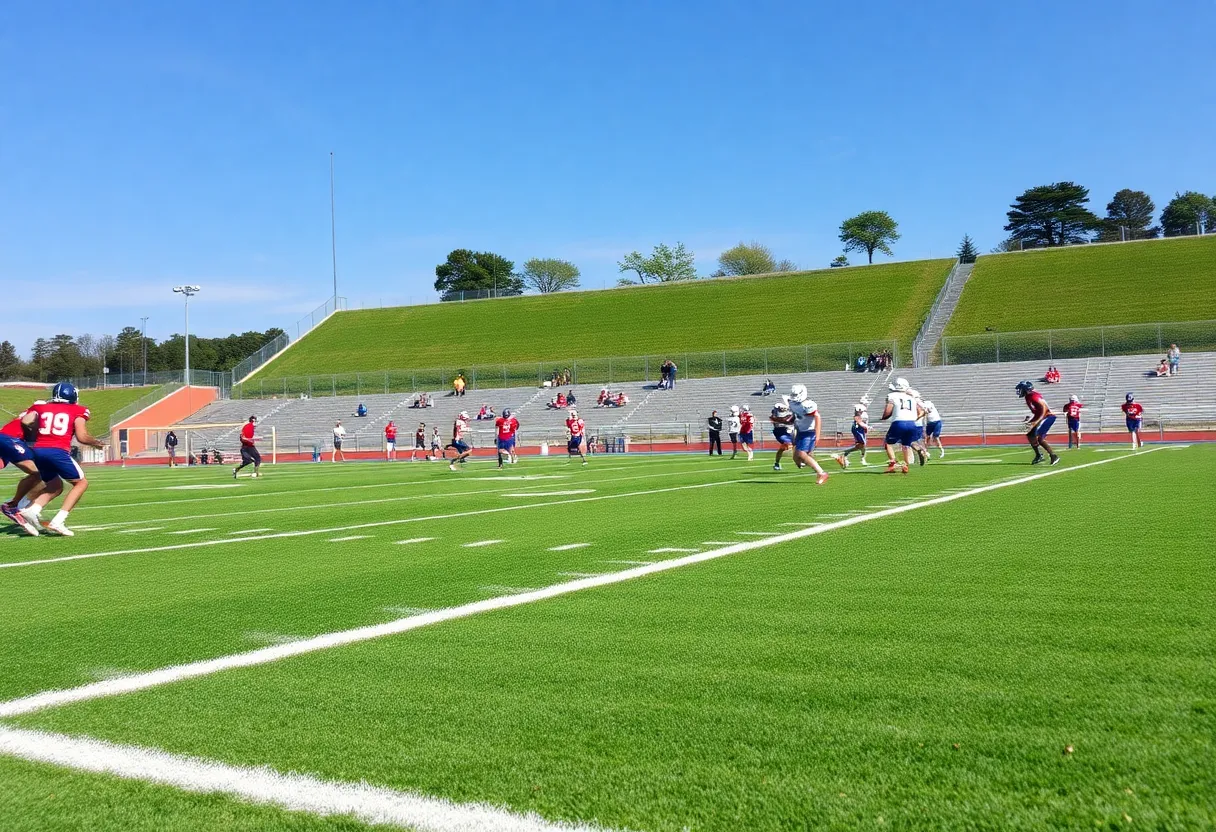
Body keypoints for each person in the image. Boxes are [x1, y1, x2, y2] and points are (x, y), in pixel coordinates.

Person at [17, 382, 106, 536]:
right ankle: (59, 521)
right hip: (57, 451)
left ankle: (33, 509)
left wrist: (33, 432)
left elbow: (25, 421)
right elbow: (82, 437)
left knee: (55, 486)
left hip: (37, 450)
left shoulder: (41, 407)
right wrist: (97, 443)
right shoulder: (78, 410)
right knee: (81, 483)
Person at [0, 401, 44, 532]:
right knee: (39, 473)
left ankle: (20, 505)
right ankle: (13, 506)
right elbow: (28, 426)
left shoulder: (28, 413)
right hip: (10, 440)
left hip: (5, 439)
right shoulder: (36, 414)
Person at [787, 384, 828, 484]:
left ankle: (821, 473)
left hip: (809, 431)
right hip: (800, 430)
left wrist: (817, 435)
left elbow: (817, 416)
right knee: (796, 458)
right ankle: (813, 464)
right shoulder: (792, 402)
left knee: (802, 454)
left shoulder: (808, 404)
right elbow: (795, 417)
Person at [881, 377, 922, 474]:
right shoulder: (911, 397)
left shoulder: (892, 396)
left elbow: (888, 411)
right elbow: (919, 411)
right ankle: (905, 465)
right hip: (912, 423)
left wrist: (883, 417)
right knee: (906, 445)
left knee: (888, 443)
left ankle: (893, 463)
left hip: (899, 422)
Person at [1015, 381, 1060, 465]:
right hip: (1040, 416)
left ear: (1026, 389)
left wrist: (1036, 421)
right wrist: (1031, 420)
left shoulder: (1034, 396)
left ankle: (1053, 456)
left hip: (1047, 416)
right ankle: (1039, 455)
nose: (1019, 391)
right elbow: (1035, 411)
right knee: (1030, 435)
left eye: (1021, 389)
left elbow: (1044, 409)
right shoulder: (1028, 396)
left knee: (1039, 438)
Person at [833, 398, 870, 469]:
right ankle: (844, 454)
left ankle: (847, 455)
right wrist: (866, 426)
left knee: (861, 446)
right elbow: (857, 418)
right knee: (861, 445)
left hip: (860, 429)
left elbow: (863, 421)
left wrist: (866, 428)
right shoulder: (859, 408)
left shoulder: (865, 411)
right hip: (858, 429)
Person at [769, 400, 795, 471]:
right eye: (781, 409)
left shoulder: (788, 414)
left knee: (789, 447)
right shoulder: (774, 416)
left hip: (789, 431)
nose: (783, 410)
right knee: (787, 444)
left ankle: (777, 463)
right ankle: (798, 460)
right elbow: (783, 420)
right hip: (780, 432)